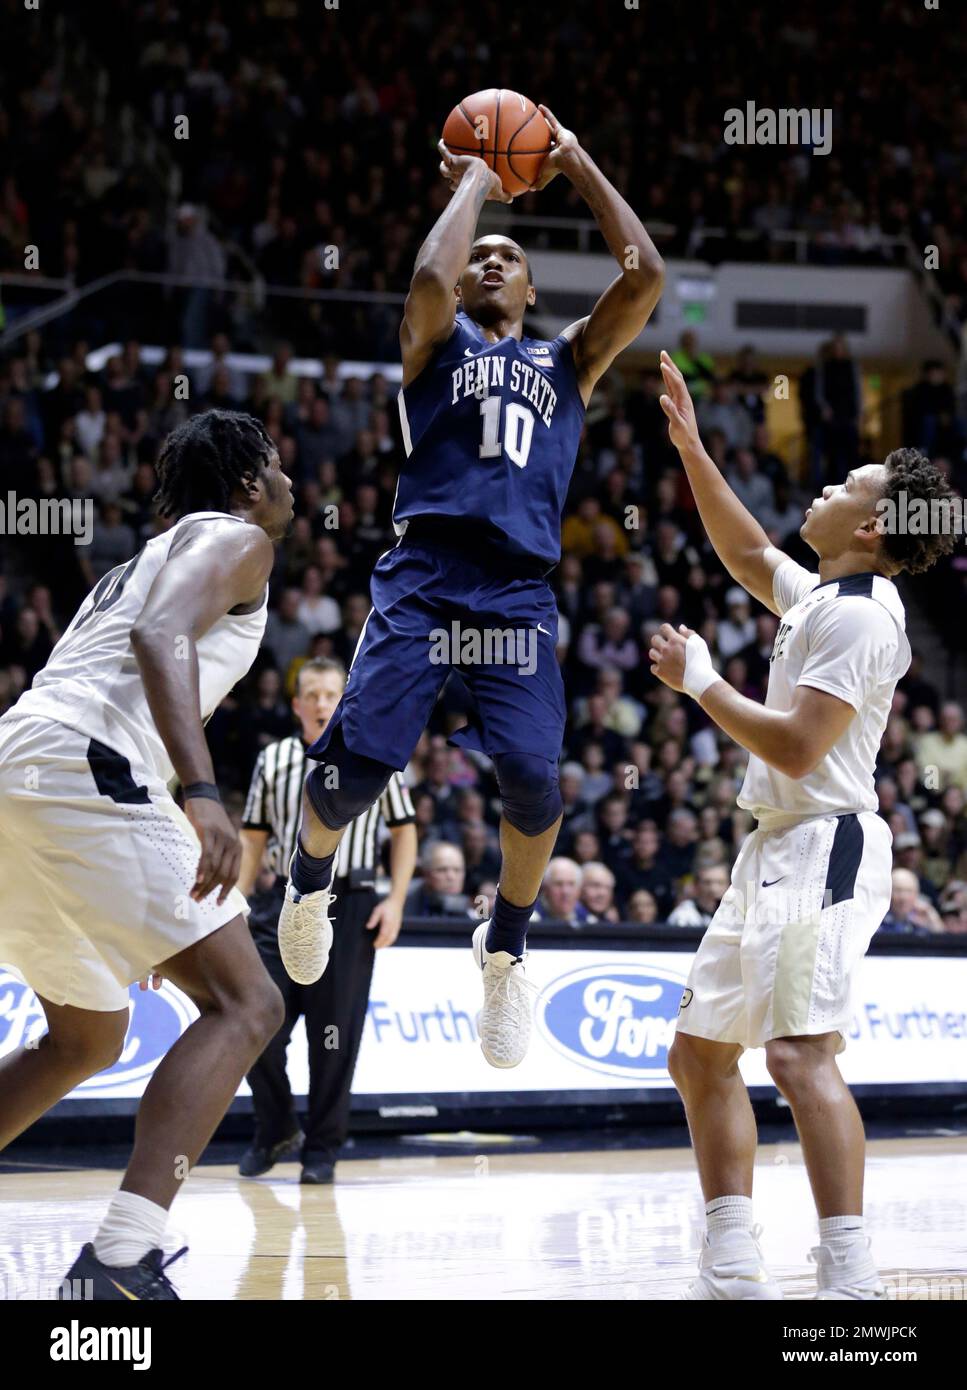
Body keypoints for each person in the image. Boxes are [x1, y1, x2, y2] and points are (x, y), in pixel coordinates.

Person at [276, 107, 664, 1071]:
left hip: (516, 594)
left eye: (508, 256)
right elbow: (426, 280)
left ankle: (507, 946)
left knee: (534, 781)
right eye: (481, 254)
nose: (490, 261)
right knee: (357, 770)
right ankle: (308, 877)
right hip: (427, 576)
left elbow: (646, 275)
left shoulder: (567, 359)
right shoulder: (434, 346)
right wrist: (478, 181)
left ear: (534, 286)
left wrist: (572, 161)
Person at [651, 349, 958, 1301]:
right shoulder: (824, 596)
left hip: (825, 844)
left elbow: (793, 747)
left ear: (868, 524)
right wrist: (695, 451)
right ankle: (733, 1254)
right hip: (771, 848)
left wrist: (700, 680)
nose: (819, 487)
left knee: (793, 1055)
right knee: (698, 1053)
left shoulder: (865, 619)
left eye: (842, 483)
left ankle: (849, 1275)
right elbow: (746, 555)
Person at [0, 410, 294, 1299]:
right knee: (247, 1003)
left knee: (86, 1036)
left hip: (24, 763)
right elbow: (159, 639)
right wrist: (202, 796)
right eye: (275, 467)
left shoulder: (146, 555)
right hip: (87, 765)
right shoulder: (235, 538)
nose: (287, 484)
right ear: (246, 484)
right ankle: (123, 1259)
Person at [237, 658, 416, 1184]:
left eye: (330, 695)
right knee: (254, 1025)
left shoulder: (374, 757)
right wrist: (234, 903)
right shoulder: (272, 761)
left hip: (352, 902)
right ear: (296, 704)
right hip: (280, 902)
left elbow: (404, 831)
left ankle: (321, 1151)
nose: (320, 704)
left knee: (333, 1037)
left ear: (345, 701)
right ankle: (276, 1128)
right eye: (310, 695)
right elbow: (252, 838)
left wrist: (397, 900)